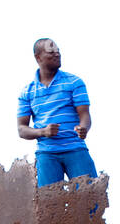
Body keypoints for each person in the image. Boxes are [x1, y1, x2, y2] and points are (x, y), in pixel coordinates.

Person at [17, 38, 97, 187]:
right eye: (51, 52)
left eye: (58, 52)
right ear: (38, 57)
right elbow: (21, 129)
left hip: (75, 149)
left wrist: (84, 128)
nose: (57, 55)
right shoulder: (27, 92)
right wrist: (43, 132)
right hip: (47, 154)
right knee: (48, 204)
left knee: (91, 200)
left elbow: (85, 115)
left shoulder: (74, 82)